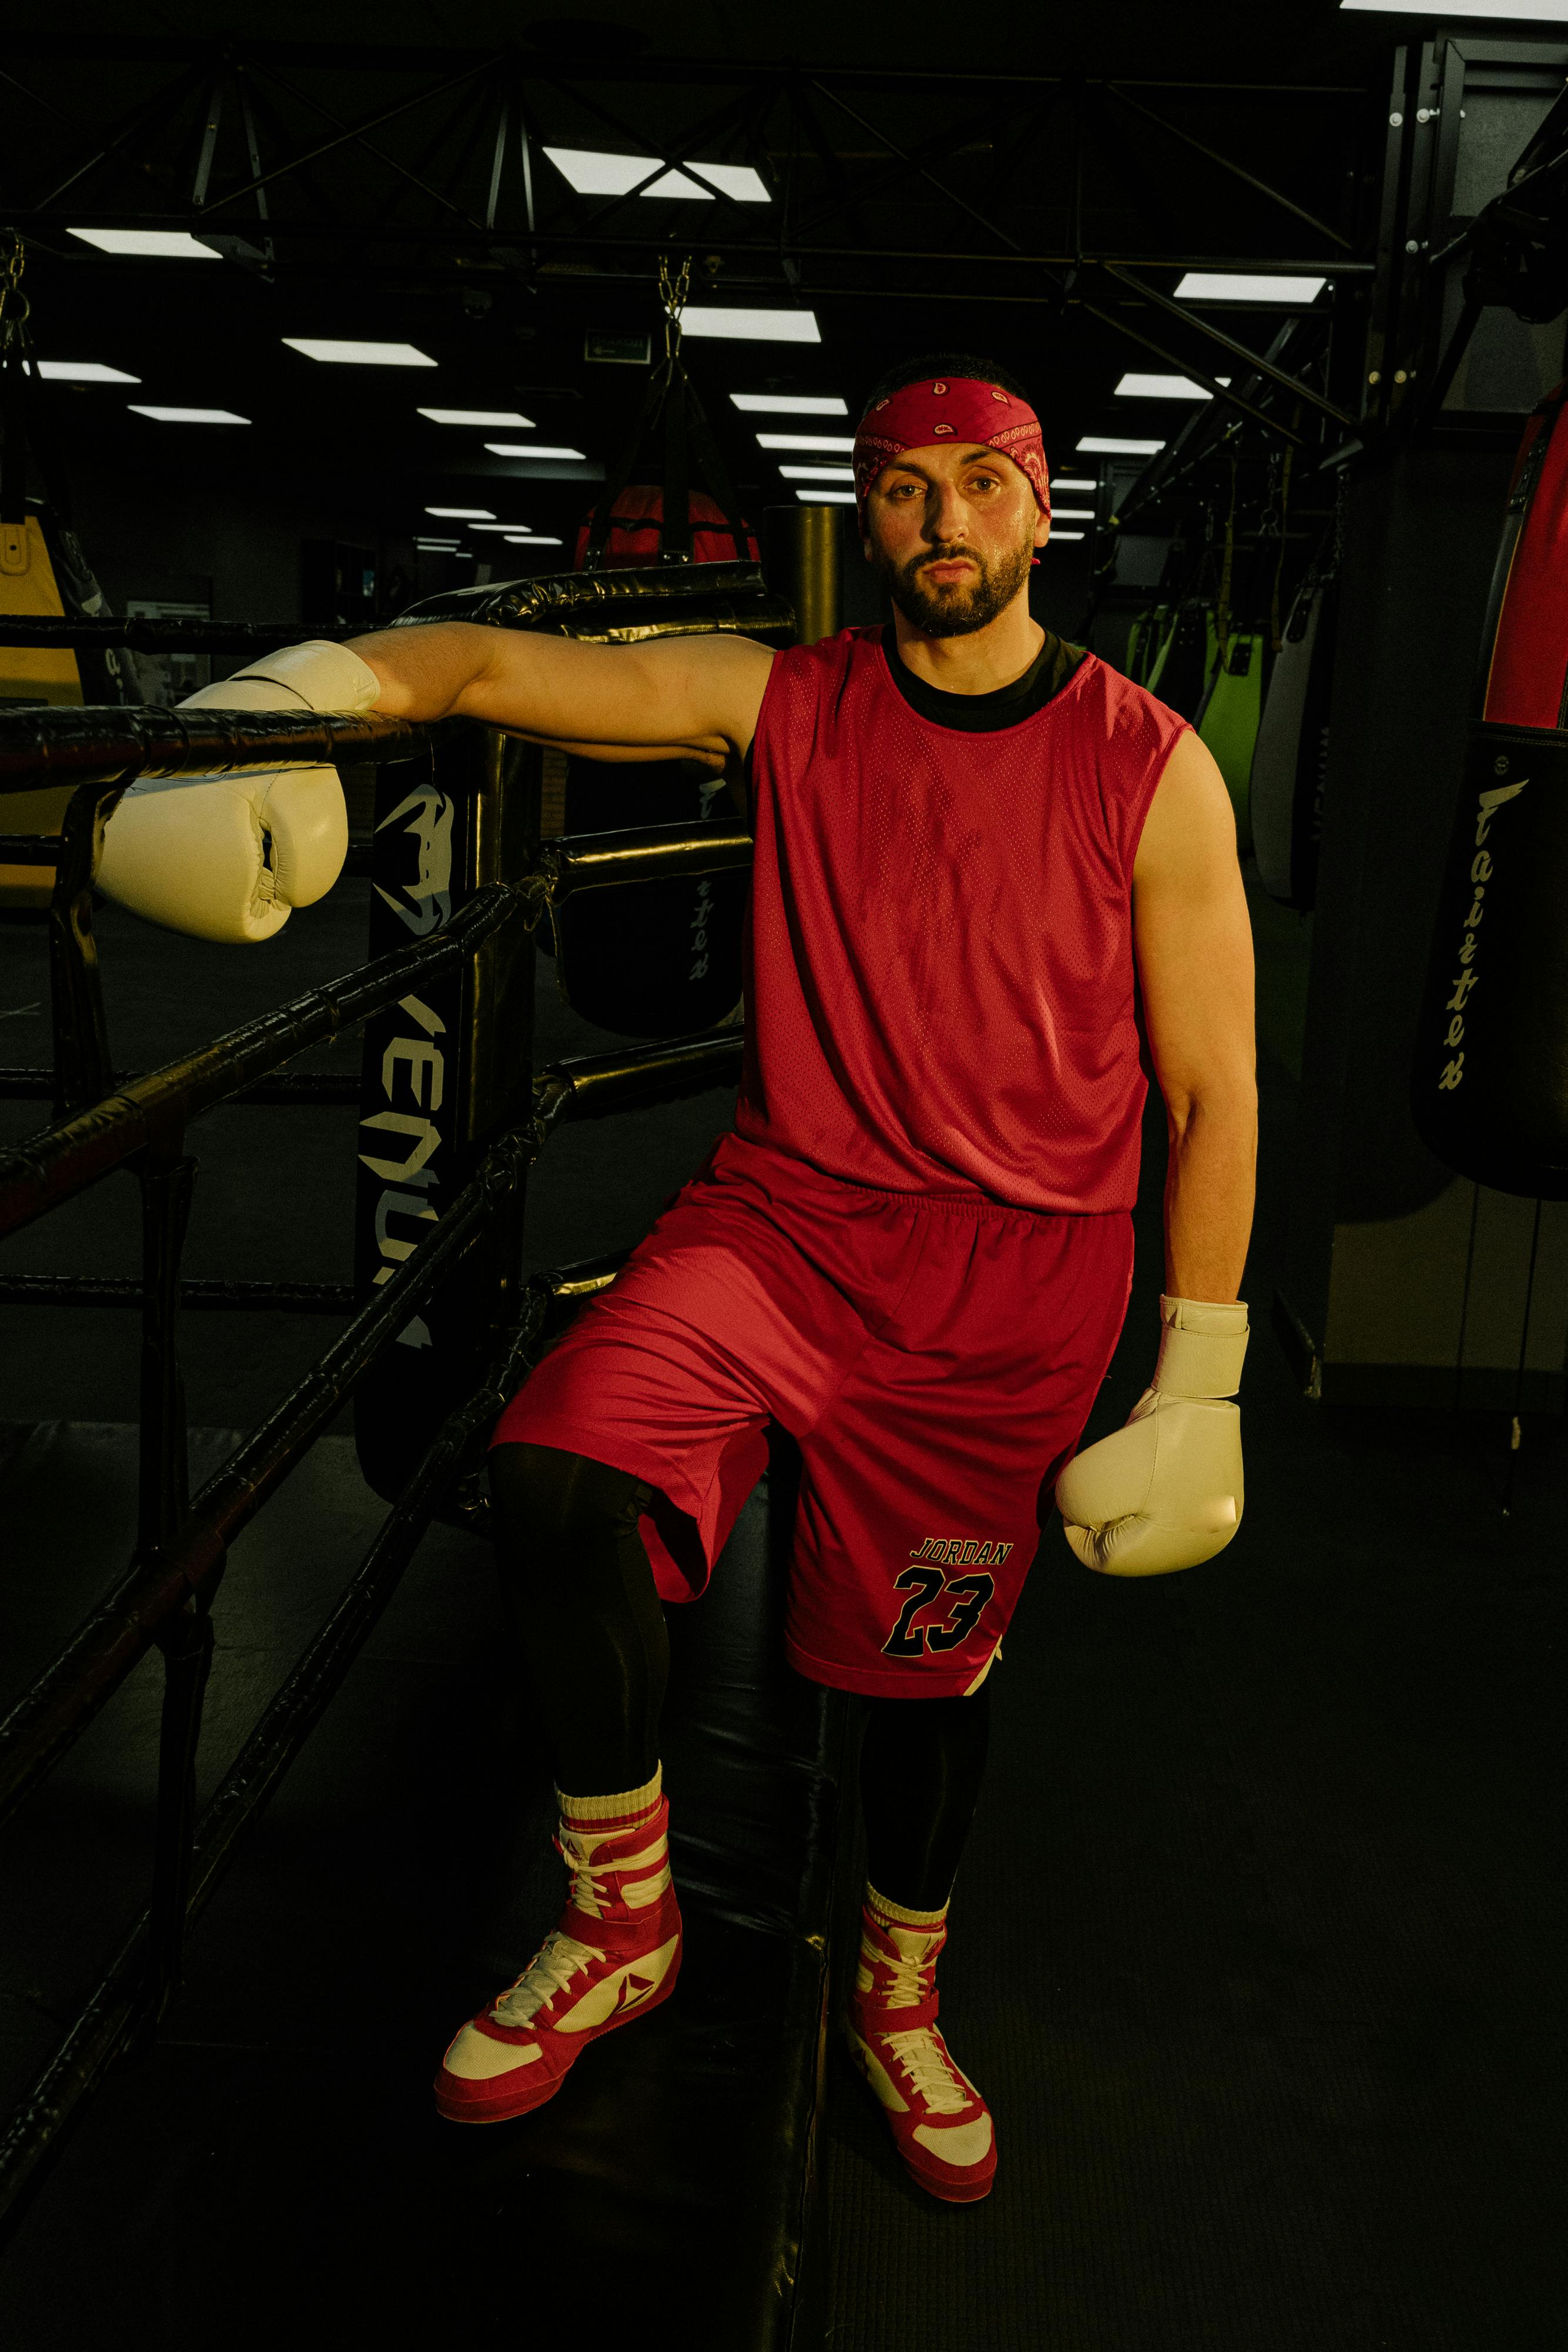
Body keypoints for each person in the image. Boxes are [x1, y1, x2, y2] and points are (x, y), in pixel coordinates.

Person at [96, 354, 1256, 2205]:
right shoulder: (786, 700)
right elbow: (491, 668)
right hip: (781, 1224)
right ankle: (621, 1917)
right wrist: (288, 694)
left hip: (1007, 1290)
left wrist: (1198, 1371)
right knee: (555, 1471)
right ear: (864, 513)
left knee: (920, 1686)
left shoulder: (1147, 762)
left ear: (1042, 512)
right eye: (901, 485)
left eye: (978, 482)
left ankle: (897, 1996)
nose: (940, 518)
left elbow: (1210, 1089)